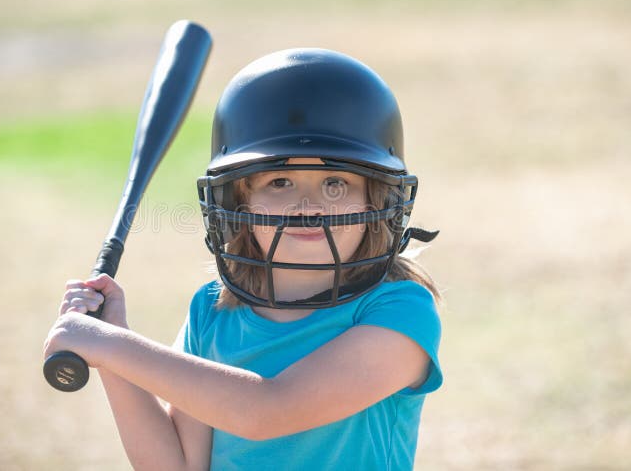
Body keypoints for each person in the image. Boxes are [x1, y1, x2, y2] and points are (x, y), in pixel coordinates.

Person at [44, 48, 443, 470]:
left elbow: (267, 410)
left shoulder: (400, 312)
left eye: (335, 182)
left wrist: (111, 346)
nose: (306, 205)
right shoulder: (211, 312)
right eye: (280, 181)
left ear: (378, 198)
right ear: (240, 200)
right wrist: (110, 342)